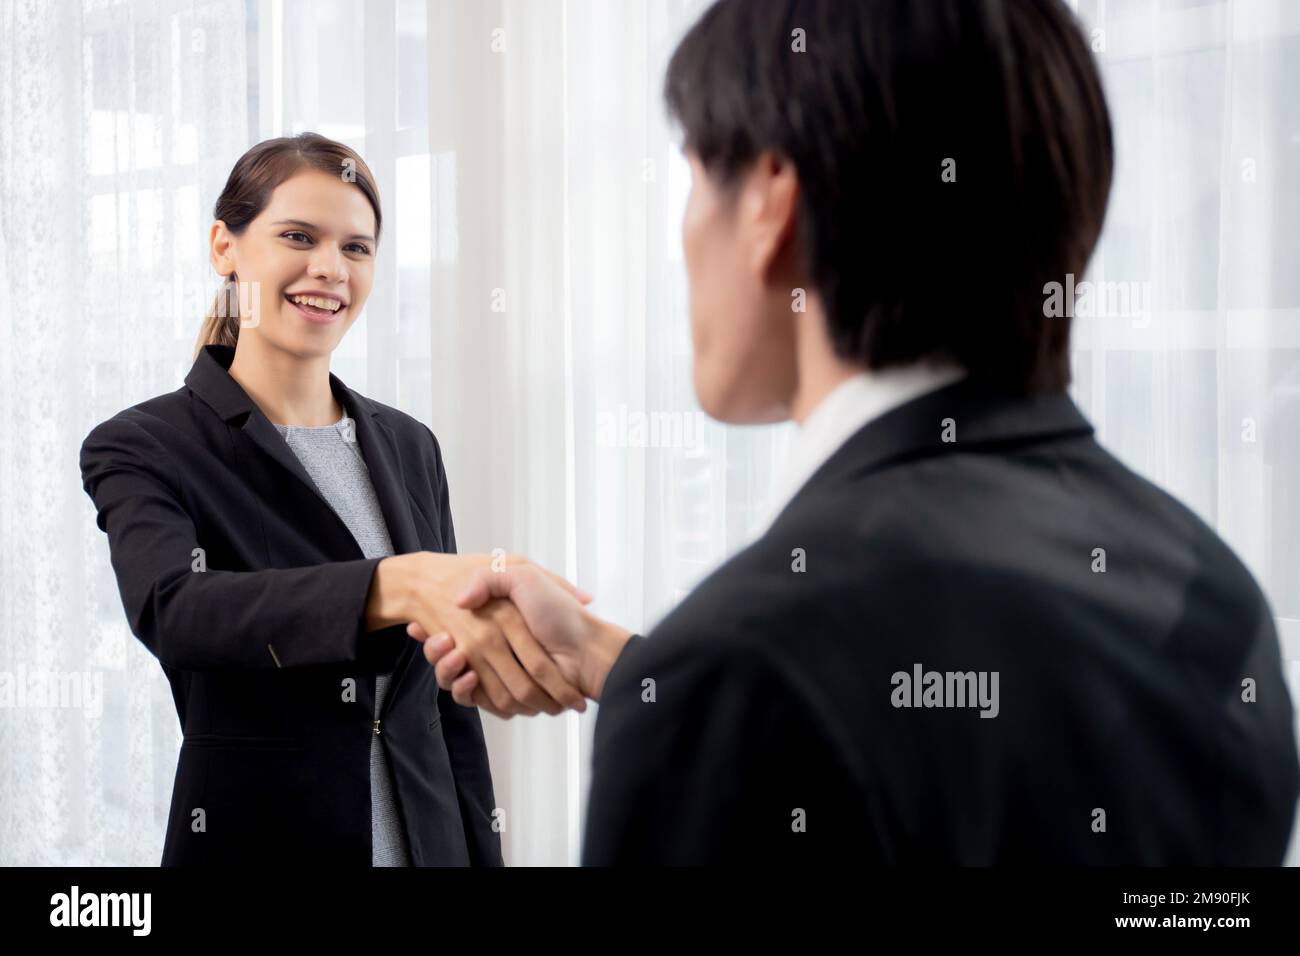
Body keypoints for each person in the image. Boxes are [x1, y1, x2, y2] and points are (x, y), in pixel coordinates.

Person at [417, 0, 1300, 864]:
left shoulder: (745, 669)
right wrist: (633, 670)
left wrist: (687, 696)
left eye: (691, 179)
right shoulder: (1212, 591)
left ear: (770, 202)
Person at [79, 133, 586, 866]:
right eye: (298, 236)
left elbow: (446, 709)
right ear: (225, 245)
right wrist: (393, 584)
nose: (330, 268)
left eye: (357, 247)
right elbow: (177, 610)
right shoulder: (144, 444)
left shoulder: (410, 445)